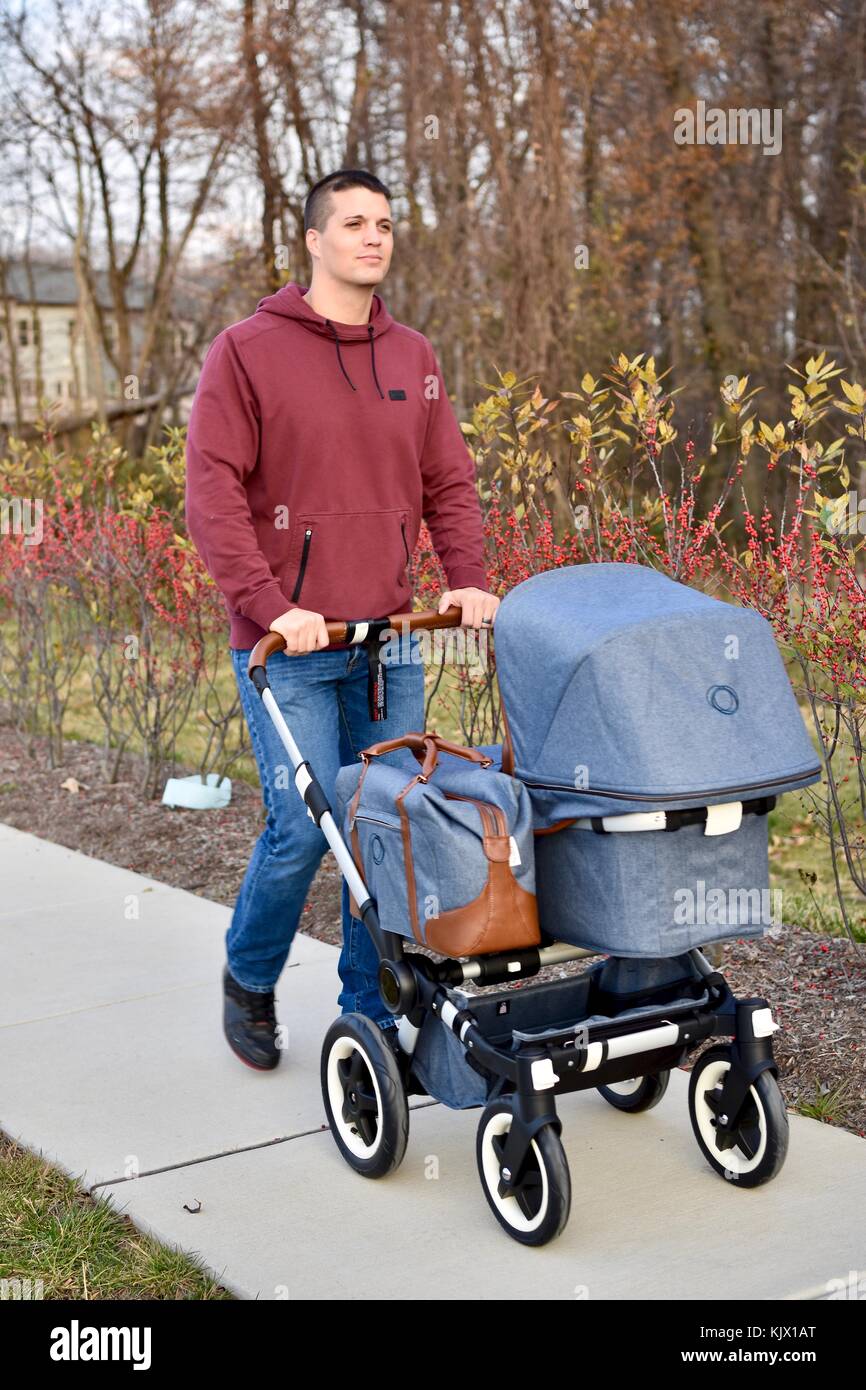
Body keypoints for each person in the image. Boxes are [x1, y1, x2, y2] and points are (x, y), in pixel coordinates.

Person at [184, 168, 500, 1070]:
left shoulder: (414, 357)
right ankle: (250, 976)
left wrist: (466, 579)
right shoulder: (246, 351)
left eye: (387, 224)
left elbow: (448, 480)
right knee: (300, 824)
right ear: (314, 242)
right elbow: (212, 499)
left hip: (390, 642)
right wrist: (275, 606)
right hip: (289, 648)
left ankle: (370, 1014)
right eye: (354, 223)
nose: (374, 236)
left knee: (387, 828)